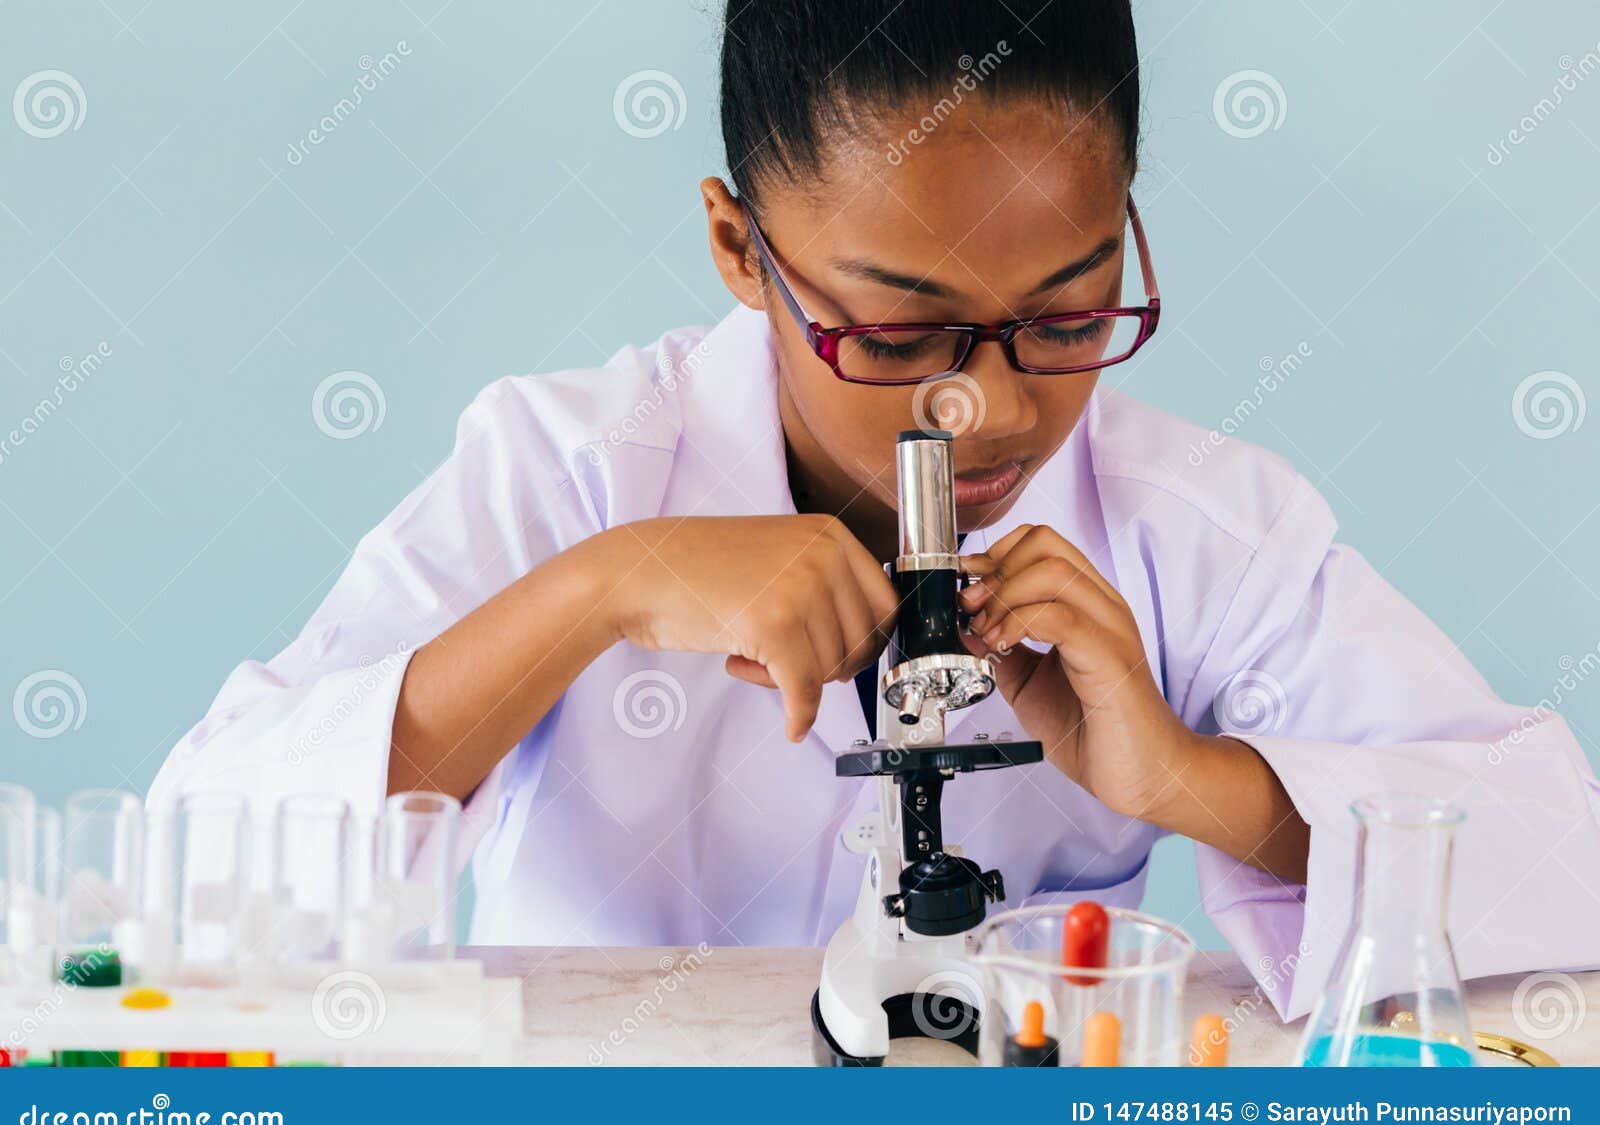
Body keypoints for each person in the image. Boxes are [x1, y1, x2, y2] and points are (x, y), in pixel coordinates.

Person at [151, 0, 1600, 1019]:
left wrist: (1189, 778)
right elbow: (195, 878)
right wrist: (600, 587)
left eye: (1070, 312)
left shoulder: (1198, 526)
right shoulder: (568, 470)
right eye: (899, 338)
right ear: (739, 244)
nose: (995, 409)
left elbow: (1566, 865)